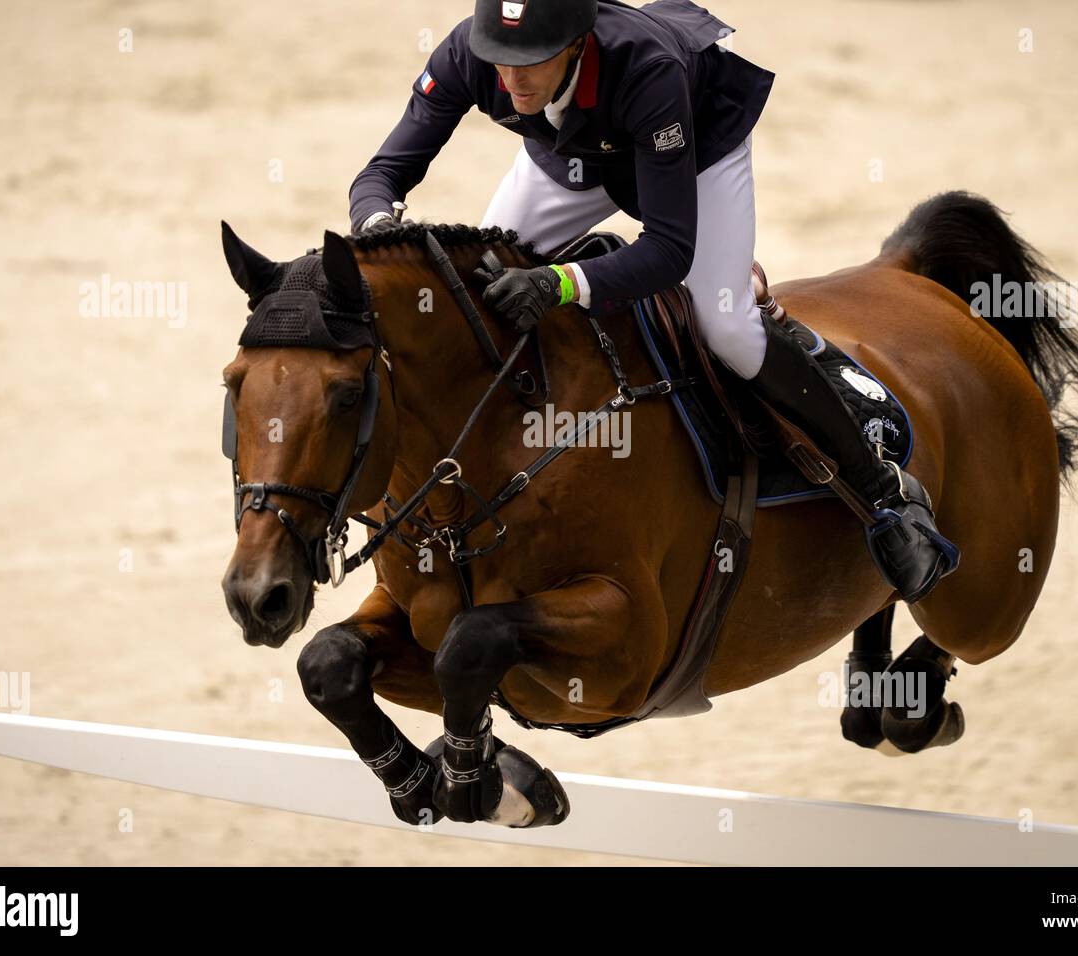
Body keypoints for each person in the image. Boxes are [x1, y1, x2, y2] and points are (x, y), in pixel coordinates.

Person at [348, 0, 958, 603]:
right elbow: (381, 174)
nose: (511, 81)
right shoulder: (467, 52)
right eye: (499, 62)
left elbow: (668, 250)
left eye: (530, 62)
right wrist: (376, 226)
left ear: (576, 45)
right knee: (481, 302)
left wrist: (560, 282)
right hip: (575, 163)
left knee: (725, 327)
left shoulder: (646, 67)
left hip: (695, 154)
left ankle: (881, 491)